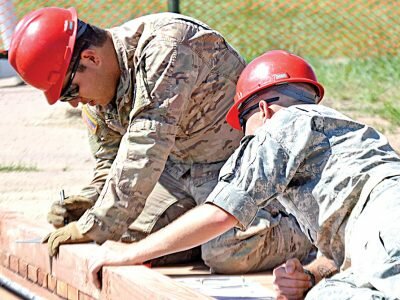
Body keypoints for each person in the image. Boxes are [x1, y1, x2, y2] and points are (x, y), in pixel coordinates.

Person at [9, 8, 312, 273]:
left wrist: (96, 223)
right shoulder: (97, 92)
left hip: (234, 164)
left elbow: (146, 147)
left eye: (69, 91)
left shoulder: (166, 48)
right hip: (176, 170)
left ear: (90, 58)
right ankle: (195, 239)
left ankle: (305, 229)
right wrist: (89, 203)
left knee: (227, 253)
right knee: (120, 240)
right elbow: (109, 162)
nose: (74, 103)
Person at [87, 50, 400, 300]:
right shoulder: (343, 138)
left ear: (263, 110)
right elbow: (340, 256)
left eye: (244, 124)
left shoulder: (282, 124)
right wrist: (310, 276)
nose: (242, 138)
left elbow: (220, 213)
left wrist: (130, 252)